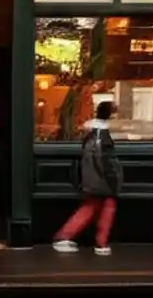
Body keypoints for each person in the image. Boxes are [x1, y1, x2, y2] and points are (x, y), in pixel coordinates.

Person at [52, 101, 122, 256]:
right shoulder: (102, 135)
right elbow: (105, 161)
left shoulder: (91, 132)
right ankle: (97, 243)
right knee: (105, 208)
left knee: (94, 208)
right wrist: (114, 179)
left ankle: (76, 238)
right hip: (102, 180)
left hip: (91, 179)